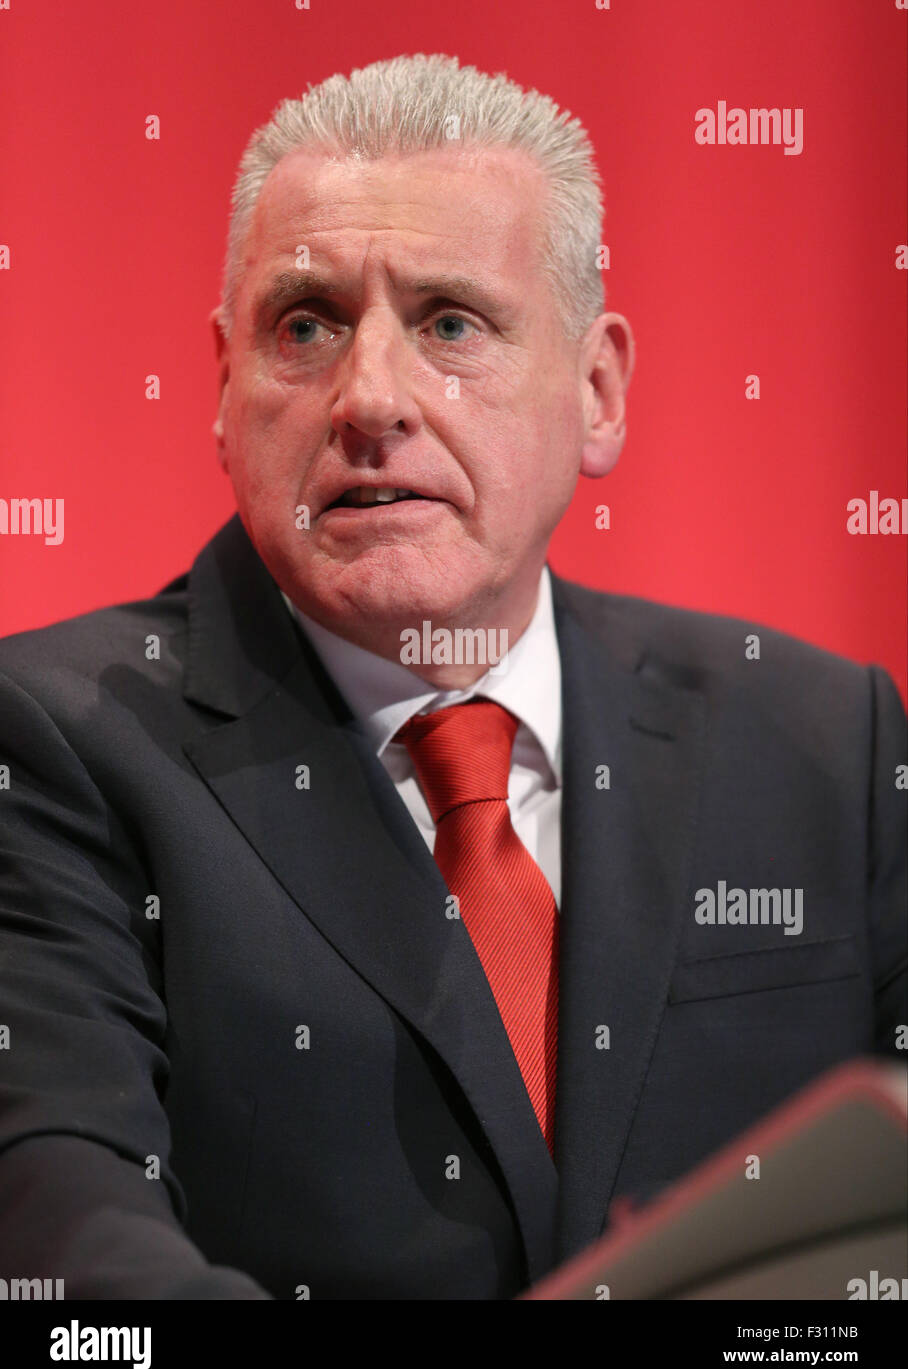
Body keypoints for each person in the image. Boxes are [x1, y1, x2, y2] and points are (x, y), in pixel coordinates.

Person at [0, 53, 904, 1301]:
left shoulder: (824, 742)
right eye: (304, 324)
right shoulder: (58, 743)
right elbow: (72, 1253)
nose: (369, 397)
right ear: (220, 388)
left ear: (596, 391)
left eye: (449, 324)